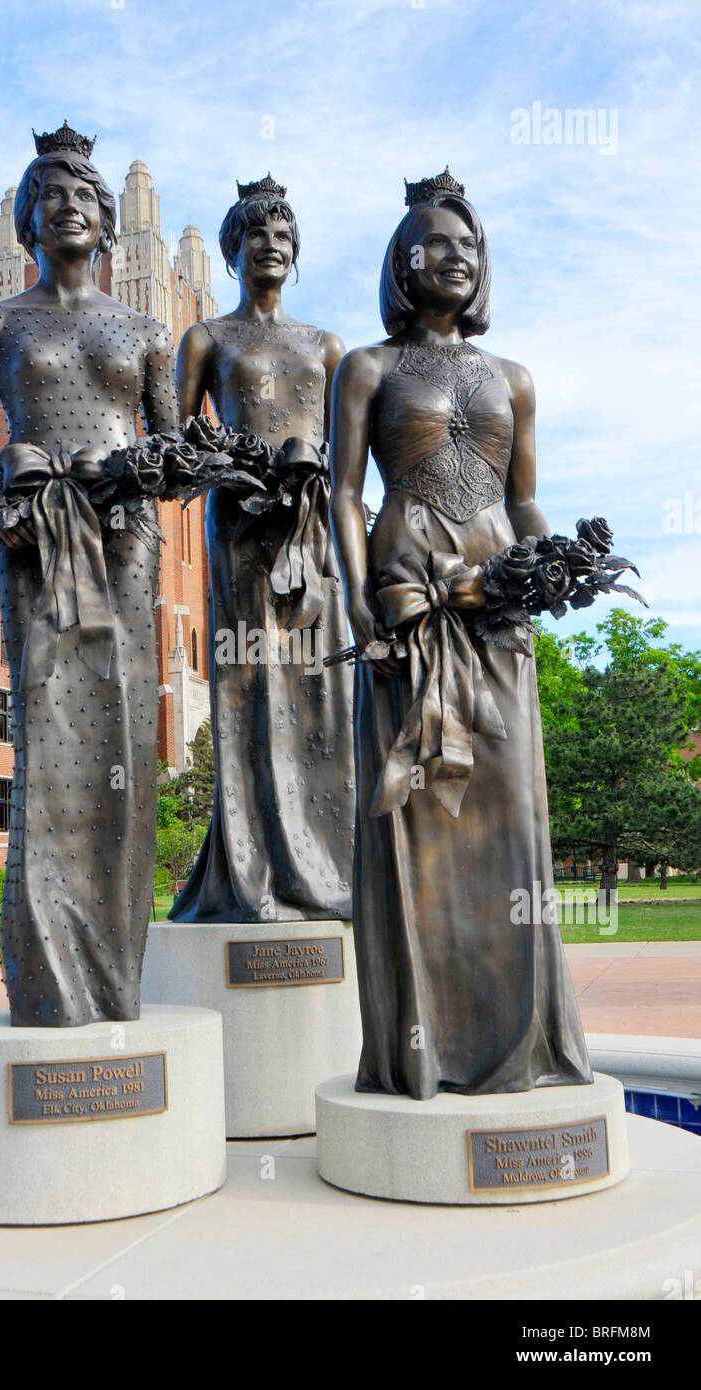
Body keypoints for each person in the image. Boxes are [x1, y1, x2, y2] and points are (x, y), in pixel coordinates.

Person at [328, 169, 593, 1096]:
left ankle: (521, 1044)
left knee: (508, 811)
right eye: (435, 241)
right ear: (401, 260)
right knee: (416, 822)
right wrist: (357, 601)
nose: (454, 256)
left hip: (498, 604)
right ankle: (421, 1050)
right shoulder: (365, 366)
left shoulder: (511, 377)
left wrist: (555, 564)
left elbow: (521, 497)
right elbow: (343, 491)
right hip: (407, 593)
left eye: (468, 245)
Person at [0, 122, 178, 1025]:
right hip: (40, 536)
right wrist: (6, 493)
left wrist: (145, 471)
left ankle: (115, 973)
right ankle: (47, 976)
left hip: (124, 538)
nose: (69, 208)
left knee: (124, 733)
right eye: (51, 197)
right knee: (50, 733)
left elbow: (170, 442)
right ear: (27, 223)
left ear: (109, 222)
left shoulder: (147, 328)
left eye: (85, 197)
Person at [169, 175, 355, 924]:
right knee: (251, 683)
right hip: (241, 526)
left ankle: (328, 866)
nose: (270, 245)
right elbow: (180, 442)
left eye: (282, 236)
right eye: (256, 235)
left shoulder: (327, 345)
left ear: (295, 252)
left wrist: (310, 476)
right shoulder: (207, 339)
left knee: (319, 690)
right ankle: (252, 869)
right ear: (233, 251)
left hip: (311, 529)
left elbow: (350, 456)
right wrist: (241, 466)